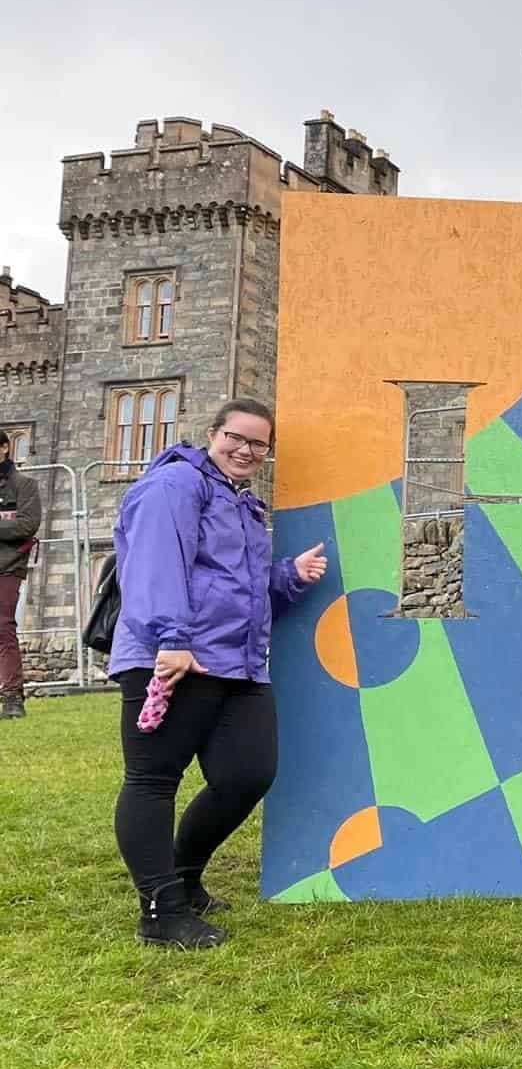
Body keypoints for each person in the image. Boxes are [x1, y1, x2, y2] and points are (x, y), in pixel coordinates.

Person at [108, 399, 329, 949]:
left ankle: (182, 877)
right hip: (173, 658)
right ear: (212, 433)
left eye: (260, 444)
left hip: (237, 666)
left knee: (247, 774)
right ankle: (161, 912)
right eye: (238, 437)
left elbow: (239, 590)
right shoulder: (175, 485)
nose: (247, 450)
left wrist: (289, 577)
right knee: (154, 781)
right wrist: (171, 639)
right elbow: (154, 563)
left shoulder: (243, 505)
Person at [0, 428, 40, 718]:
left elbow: (27, 525)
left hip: (7, 566)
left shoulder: (23, 484)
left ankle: (12, 696)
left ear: (4, 448)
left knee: (2, 628)